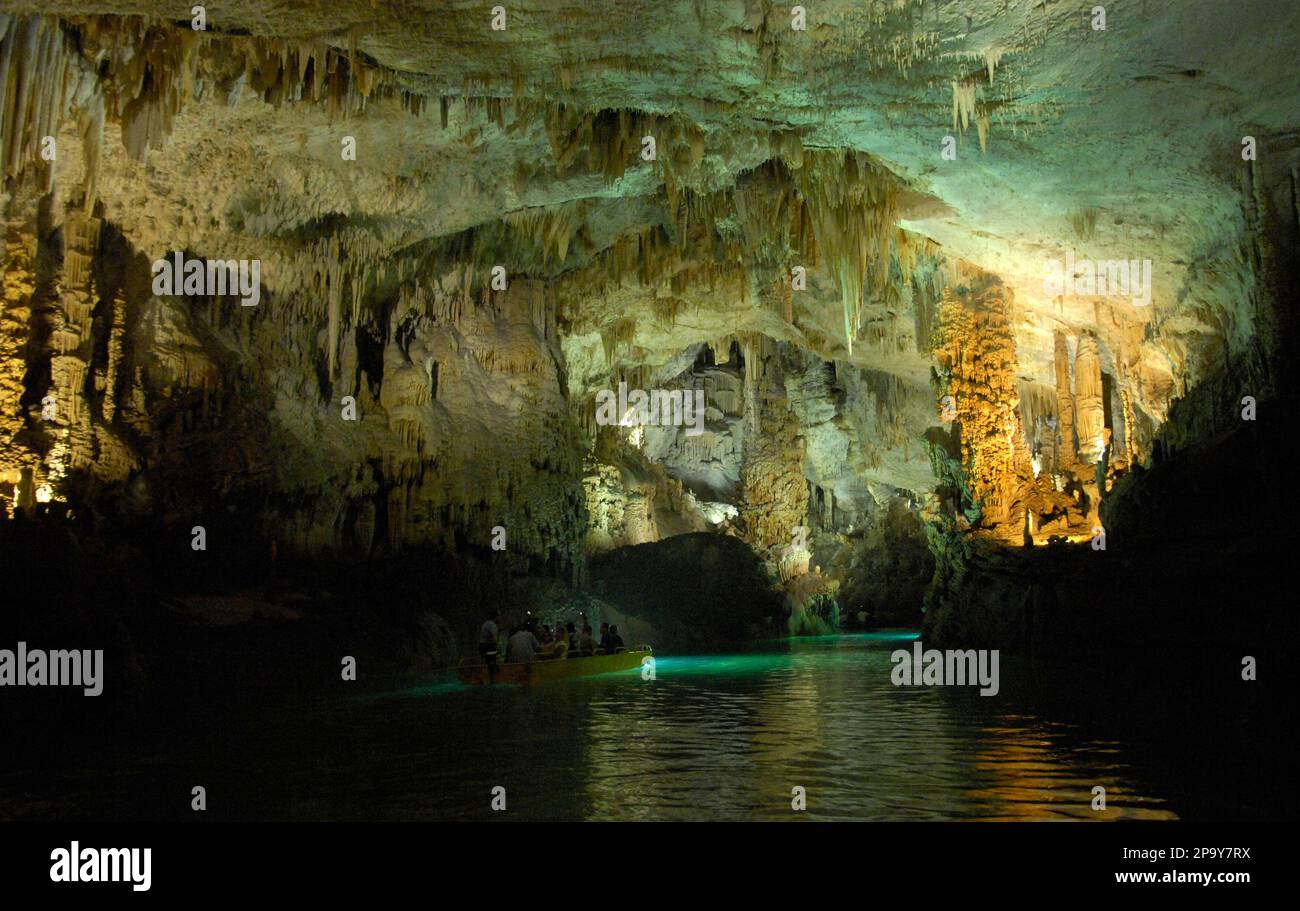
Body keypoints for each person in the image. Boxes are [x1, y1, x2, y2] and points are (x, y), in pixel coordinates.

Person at [479, 612, 501, 680]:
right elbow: (494, 637)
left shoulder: (485, 623)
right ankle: (493, 678)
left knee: (487, 662)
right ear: (496, 617)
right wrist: (498, 647)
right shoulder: (492, 625)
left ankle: (486, 676)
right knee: (492, 661)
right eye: (499, 617)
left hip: (482, 646)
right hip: (488, 647)